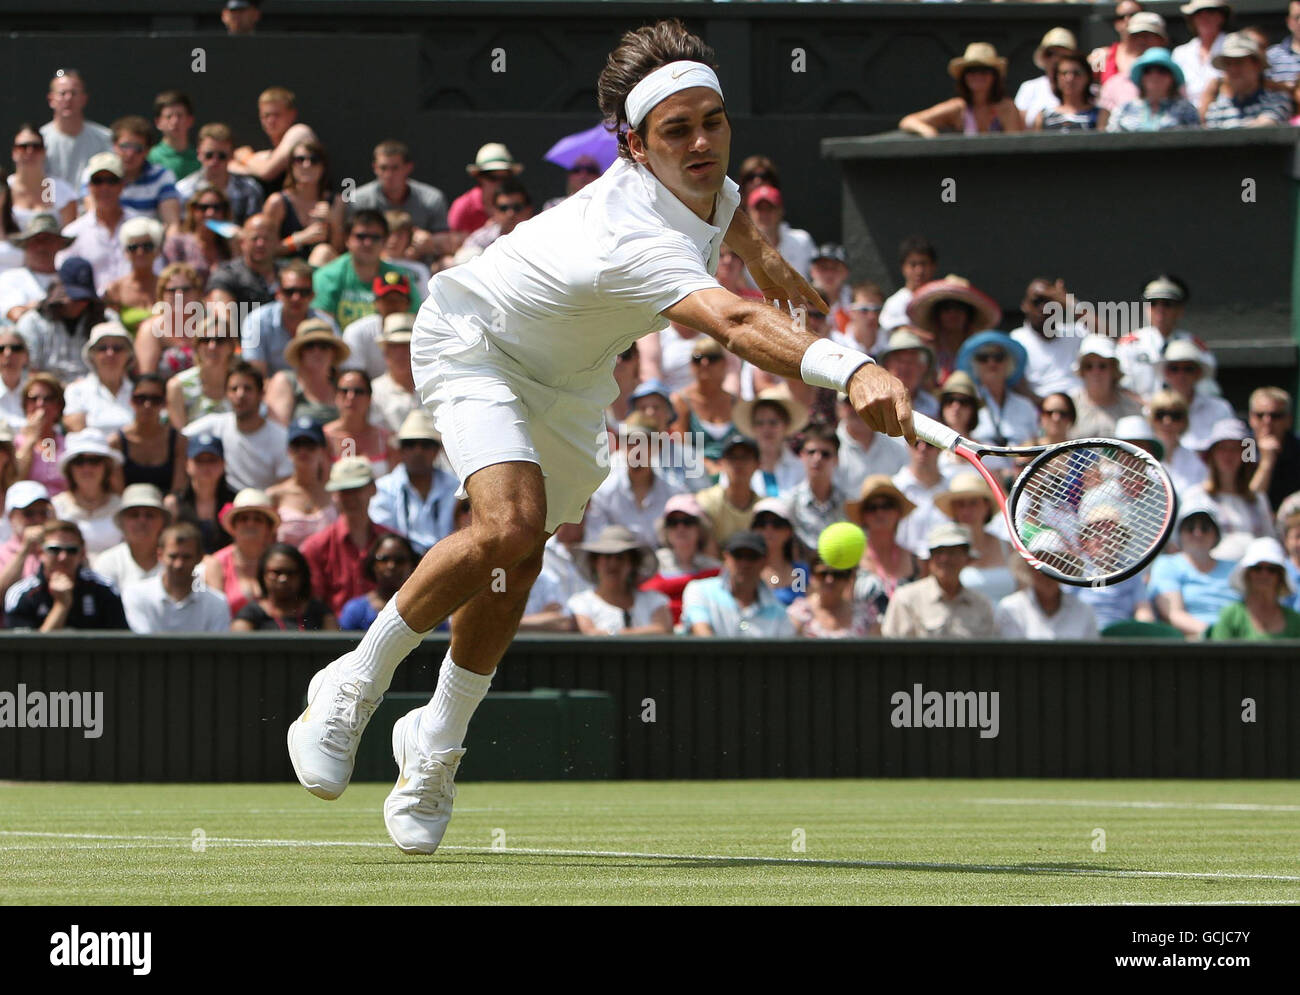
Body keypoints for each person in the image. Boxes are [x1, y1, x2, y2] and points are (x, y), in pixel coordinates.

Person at [286, 20, 913, 856]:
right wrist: (853, 366)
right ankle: (352, 682)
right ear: (633, 146)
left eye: (712, 121)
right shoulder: (631, 235)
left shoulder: (710, 187)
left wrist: (768, 261)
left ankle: (433, 741)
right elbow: (726, 320)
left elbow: (731, 226)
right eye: (675, 130)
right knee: (506, 524)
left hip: (573, 382)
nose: (700, 143)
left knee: (518, 561)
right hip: (477, 341)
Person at [300, 457, 393, 617]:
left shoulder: (393, 542)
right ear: (334, 494)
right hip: (334, 636)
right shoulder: (316, 547)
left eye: (357, 489)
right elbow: (314, 604)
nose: (350, 497)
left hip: (385, 632)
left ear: (373, 489)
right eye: (343, 491)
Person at [183, 363, 292, 491]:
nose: (240, 394)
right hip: (224, 504)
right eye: (234, 389)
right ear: (226, 394)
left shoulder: (280, 437)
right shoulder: (216, 424)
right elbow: (180, 438)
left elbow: (286, 484)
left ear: (261, 394)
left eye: (248, 389)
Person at [4, 519, 126, 630]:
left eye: (72, 550)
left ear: (82, 554)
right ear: (40, 552)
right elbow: (27, 651)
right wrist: (61, 605)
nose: (63, 557)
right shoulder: (21, 594)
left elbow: (120, 645)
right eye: (54, 549)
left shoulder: (104, 589)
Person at [881, 523, 996, 638]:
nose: (945, 559)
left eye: (953, 552)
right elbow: (893, 648)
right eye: (939, 552)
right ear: (930, 558)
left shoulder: (981, 605)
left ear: (966, 558)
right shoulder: (906, 599)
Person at [584, 415, 684, 547]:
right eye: (630, 442)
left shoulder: (674, 492)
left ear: (657, 447)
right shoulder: (604, 492)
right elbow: (596, 539)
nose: (636, 449)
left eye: (643, 442)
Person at [311, 210, 420, 330]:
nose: (368, 243)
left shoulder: (400, 276)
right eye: (361, 236)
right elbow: (322, 326)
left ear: (385, 241)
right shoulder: (327, 276)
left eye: (375, 237)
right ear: (347, 239)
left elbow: (414, 321)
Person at [368, 409, 458, 554]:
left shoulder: (456, 488)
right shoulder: (384, 489)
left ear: (436, 450)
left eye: (425, 445)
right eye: (410, 444)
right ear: (401, 450)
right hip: (402, 567)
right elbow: (383, 537)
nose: (418, 451)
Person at [1116, 276, 1216, 400]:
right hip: (1139, 412)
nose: (1160, 310)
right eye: (1153, 304)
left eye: (1167, 304)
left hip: (1183, 415)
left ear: (1180, 310)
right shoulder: (1130, 345)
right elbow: (1119, 387)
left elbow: (1207, 389)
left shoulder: (1194, 346)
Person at [1147, 503, 1238, 637]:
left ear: (1216, 535)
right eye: (1190, 527)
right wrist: (1213, 634)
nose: (1198, 533)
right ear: (1180, 534)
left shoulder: (1234, 568)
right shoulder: (1167, 565)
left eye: (1205, 528)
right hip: (1191, 645)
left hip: (1238, 640)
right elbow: (1173, 614)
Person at [681, 530, 795, 637]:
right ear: (726, 557)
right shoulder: (699, 591)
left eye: (752, 557)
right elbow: (702, 637)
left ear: (764, 561)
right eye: (738, 556)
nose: (744, 563)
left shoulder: (779, 612)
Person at [349, 140, 451, 260]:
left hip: (420, 265)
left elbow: (445, 241)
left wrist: (429, 241)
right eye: (383, 168)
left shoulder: (432, 198)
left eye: (395, 168)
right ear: (375, 167)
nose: (388, 174)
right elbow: (349, 241)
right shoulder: (358, 199)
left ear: (408, 167)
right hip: (372, 265)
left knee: (448, 262)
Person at [122, 522, 230, 633]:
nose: (179, 564)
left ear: (199, 558)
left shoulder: (217, 603)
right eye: (173, 556)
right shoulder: (136, 595)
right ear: (160, 555)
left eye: (186, 557)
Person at [567, 525, 672, 635]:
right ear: (595, 562)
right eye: (607, 557)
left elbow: (663, 629)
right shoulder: (581, 602)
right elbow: (589, 633)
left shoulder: (653, 600)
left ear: (632, 564)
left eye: (620, 557)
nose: (613, 564)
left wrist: (616, 634)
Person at [900, 43, 1023, 136]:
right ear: (964, 77)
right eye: (971, 71)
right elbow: (909, 121)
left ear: (994, 76)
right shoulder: (958, 107)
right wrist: (930, 133)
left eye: (984, 71)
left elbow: (1015, 145)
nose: (978, 76)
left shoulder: (1006, 107)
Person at [241, 262, 338, 379]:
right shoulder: (255, 321)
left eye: (303, 292)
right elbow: (255, 376)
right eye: (289, 292)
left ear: (312, 296)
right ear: (278, 294)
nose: (296, 298)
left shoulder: (326, 324)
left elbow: (338, 369)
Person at [994, 532, 1099, 639]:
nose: (1046, 574)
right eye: (1041, 565)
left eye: (1054, 564)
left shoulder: (1083, 610)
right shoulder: (1010, 608)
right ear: (1029, 568)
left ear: (1064, 569)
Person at [1185, 418, 1275, 544]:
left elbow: (1269, 540)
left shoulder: (1258, 499)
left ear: (1244, 455)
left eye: (1235, 449)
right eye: (1222, 448)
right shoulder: (1195, 496)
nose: (1228, 455)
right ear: (1212, 454)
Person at [934, 472, 1016, 603]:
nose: (967, 511)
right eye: (961, 504)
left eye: (973, 503)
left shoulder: (1008, 548)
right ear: (954, 509)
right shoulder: (944, 552)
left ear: (986, 506)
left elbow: (1023, 590)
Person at [640, 493, 720, 626]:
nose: (680, 528)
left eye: (687, 522)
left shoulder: (714, 569)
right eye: (673, 523)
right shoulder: (651, 565)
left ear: (700, 528)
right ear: (665, 529)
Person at [905, 275, 1001, 384]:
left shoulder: (982, 351)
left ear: (969, 315)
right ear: (938, 315)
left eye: (959, 309)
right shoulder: (927, 350)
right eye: (947, 309)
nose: (953, 314)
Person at [57, 152, 129, 295]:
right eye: (98, 181)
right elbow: (65, 279)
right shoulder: (72, 233)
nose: (104, 187)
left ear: (122, 185)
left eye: (111, 181)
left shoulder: (141, 226)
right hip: (91, 311)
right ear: (89, 186)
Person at [263, 140, 344, 266]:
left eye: (314, 160)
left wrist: (333, 222)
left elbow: (340, 251)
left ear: (323, 167)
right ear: (291, 166)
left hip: (323, 271)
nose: (307, 165)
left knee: (323, 252)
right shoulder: (277, 202)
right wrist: (299, 239)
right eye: (299, 160)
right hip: (286, 271)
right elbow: (265, 249)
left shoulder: (336, 202)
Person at [201, 486, 278, 616]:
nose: (250, 524)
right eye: (244, 519)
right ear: (233, 526)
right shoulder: (216, 563)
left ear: (268, 528)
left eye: (258, 519)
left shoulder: (279, 560)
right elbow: (214, 613)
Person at [956, 330, 1038, 452]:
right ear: (975, 365)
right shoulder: (965, 403)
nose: (991, 363)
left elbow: (1037, 440)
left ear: (1009, 363)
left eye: (998, 357)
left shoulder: (1025, 406)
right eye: (983, 358)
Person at [230, 86, 319, 196]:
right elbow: (231, 168)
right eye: (266, 115)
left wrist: (245, 158)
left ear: (292, 114)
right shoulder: (266, 156)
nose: (271, 120)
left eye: (277, 115)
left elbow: (266, 171)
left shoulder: (300, 132)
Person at [107, 373, 185, 496]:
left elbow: (178, 490)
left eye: (155, 399)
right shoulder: (116, 442)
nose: (147, 405)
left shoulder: (178, 441)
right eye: (140, 399)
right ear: (131, 401)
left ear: (164, 404)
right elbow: (118, 492)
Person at [231, 542, 337, 632]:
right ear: (263, 575)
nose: (283, 579)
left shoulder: (320, 613)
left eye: (290, 573)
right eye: (276, 572)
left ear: (302, 576)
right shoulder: (250, 615)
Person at [669, 334, 737, 474]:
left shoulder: (736, 402)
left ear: (724, 363)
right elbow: (681, 448)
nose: (704, 363)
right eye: (698, 359)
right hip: (693, 474)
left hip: (734, 472)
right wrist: (709, 467)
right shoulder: (681, 401)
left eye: (712, 358)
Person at [845, 474, 917, 606]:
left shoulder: (915, 560)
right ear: (863, 516)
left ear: (898, 512)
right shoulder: (852, 561)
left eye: (887, 506)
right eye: (872, 508)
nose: (880, 513)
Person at [1208, 537, 1300, 639]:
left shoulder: (1295, 621)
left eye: (1272, 569)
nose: (1264, 574)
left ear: (1280, 577)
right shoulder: (1231, 615)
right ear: (1247, 574)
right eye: (1257, 568)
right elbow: (1218, 653)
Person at [51, 429, 123, 556]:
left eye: (94, 461)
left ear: (106, 466)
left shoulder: (120, 507)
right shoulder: (56, 507)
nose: (87, 468)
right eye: (79, 462)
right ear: (70, 468)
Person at [267, 417, 337, 547]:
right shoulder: (274, 496)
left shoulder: (335, 495)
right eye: (297, 444)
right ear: (288, 451)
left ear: (322, 450)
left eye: (310, 444)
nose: (303, 450)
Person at [165, 431, 237, 555]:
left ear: (223, 464)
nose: (206, 467)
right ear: (187, 464)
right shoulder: (174, 503)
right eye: (199, 461)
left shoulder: (235, 502)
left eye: (212, 460)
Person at [176, 123, 264, 223]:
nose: (215, 161)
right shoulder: (183, 191)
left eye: (222, 156)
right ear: (199, 154)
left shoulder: (249, 190)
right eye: (209, 155)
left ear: (231, 155)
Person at [40, 70, 113, 187]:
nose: (68, 98)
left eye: (74, 93)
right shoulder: (38, 142)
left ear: (84, 99)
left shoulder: (105, 138)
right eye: (62, 93)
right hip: (51, 203)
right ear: (51, 99)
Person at [90, 482, 169, 591]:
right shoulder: (107, 562)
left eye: (150, 515)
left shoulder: (177, 560)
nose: (142, 521)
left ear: (163, 522)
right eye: (134, 515)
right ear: (122, 522)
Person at [1205, 32, 1293, 128]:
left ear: (1257, 65)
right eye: (1228, 64)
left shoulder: (1277, 100)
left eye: (1239, 62)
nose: (1233, 70)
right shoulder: (1217, 110)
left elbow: (1266, 125)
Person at [266, 320, 346, 426]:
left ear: (333, 352)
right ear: (300, 352)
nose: (317, 351)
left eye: (324, 346)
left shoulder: (342, 384)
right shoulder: (286, 381)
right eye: (310, 345)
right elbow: (277, 431)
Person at [732, 386, 807, 497]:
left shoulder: (801, 467)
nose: (766, 429)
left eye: (773, 422)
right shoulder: (737, 465)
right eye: (760, 423)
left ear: (785, 425)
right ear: (753, 427)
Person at [339, 271, 415, 380]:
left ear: (408, 303)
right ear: (375, 303)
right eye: (387, 300)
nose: (393, 305)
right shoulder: (356, 331)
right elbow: (354, 378)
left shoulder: (422, 331)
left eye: (398, 300)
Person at [1157, 341, 1232, 447]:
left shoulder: (1220, 408)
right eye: (1174, 369)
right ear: (1166, 373)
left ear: (1199, 373)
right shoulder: (1153, 410)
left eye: (1188, 369)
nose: (1181, 375)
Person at [166, 313, 235, 430]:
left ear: (231, 346)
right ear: (196, 346)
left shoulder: (243, 382)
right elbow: (180, 438)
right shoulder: (177, 386)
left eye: (220, 340)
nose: (212, 346)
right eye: (205, 340)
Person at [788, 550, 879, 638]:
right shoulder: (799, 613)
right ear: (812, 577)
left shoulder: (866, 614)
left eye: (838, 574)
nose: (830, 580)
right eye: (823, 574)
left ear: (848, 578)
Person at [1108, 47, 1202, 131]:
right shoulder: (1124, 109)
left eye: (1162, 70)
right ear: (1142, 77)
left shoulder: (1186, 109)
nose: (1154, 76)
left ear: (1172, 78)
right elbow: (1110, 142)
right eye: (1148, 71)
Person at [339, 534, 420, 632]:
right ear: (373, 564)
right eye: (383, 559)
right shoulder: (355, 610)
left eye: (399, 560)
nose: (391, 566)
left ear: (412, 565)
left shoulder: (422, 609)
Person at [789, 424, 849, 554]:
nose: (817, 458)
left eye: (825, 454)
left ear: (836, 460)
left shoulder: (848, 504)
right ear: (801, 456)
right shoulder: (790, 504)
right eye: (811, 452)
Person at [1069, 335, 1143, 439]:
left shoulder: (1132, 409)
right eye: (1089, 366)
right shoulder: (1069, 406)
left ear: (1113, 370)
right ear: (1082, 371)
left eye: (1102, 366)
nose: (1096, 372)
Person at [741, 183, 815, 287]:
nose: (764, 214)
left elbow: (816, 281)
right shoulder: (739, 247)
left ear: (781, 211)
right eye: (759, 209)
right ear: (749, 212)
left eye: (770, 208)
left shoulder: (802, 241)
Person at [893, 437, 956, 559]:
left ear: (940, 448)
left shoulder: (953, 488)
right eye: (915, 443)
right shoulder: (895, 487)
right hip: (906, 567)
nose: (922, 448)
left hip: (945, 564)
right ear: (907, 446)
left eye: (930, 444)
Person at [0, 214, 70, 324]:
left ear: (59, 243)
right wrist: (44, 305)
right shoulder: (11, 278)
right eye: (36, 240)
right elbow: (15, 314)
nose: (42, 247)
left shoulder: (70, 278)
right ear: (26, 245)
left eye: (48, 240)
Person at [323, 369, 393, 475]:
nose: (350, 397)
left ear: (370, 398)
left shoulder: (385, 440)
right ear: (336, 396)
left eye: (358, 391)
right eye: (344, 391)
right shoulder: (324, 438)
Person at [8, 125, 77, 229]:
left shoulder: (63, 191)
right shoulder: (4, 189)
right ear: (14, 152)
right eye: (23, 147)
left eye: (36, 147)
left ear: (44, 152)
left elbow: (69, 235)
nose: (29, 152)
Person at [448, 142, 523, 238]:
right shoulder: (463, 206)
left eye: (505, 177)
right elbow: (454, 244)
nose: (499, 183)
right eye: (492, 177)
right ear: (479, 177)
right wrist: (486, 233)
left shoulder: (521, 201)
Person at [101, 218, 164, 332]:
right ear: (126, 253)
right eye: (133, 247)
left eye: (147, 246)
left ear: (158, 250)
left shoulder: (167, 287)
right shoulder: (115, 289)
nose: (140, 252)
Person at [161, 186, 232, 283]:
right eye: (203, 208)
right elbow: (172, 281)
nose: (210, 213)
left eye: (217, 208)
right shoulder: (178, 244)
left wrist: (236, 246)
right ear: (193, 211)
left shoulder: (229, 245)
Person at [454, 179, 534, 262]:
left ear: (529, 209)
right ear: (495, 211)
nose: (510, 214)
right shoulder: (482, 238)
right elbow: (462, 261)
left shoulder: (539, 234)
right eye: (503, 208)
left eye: (517, 207)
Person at [1146, 387, 1207, 496]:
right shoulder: (1139, 457)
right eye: (1160, 414)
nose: (1167, 421)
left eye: (1175, 415)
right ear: (1151, 419)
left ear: (1184, 421)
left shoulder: (1197, 460)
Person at [208, 214, 278, 308]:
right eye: (254, 238)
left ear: (276, 242)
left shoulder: (287, 274)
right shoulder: (226, 274)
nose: (260, 244)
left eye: (266, 238)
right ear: (242, 242)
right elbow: (220, 310)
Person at [1247, 387, 1300, 511]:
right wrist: (1267, 461)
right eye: (1260, 415)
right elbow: (1250, 501)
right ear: (1251, 419)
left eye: (1275, 416)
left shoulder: (1297, 447)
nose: (1267, 421)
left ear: (1288, 420)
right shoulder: (1245, 446)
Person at [748, 497, 808, 606]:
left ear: (789, 531)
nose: (768, 529)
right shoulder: (745, 570)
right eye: (761, 524)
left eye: (777, 524)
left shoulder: (802, 572)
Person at [1173, 0, 1232, 108]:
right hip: (1187, 118)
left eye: (1210, 12)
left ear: (1222, 17)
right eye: (1198, 13)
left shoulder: (1233, 46)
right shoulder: (1180, 53)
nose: (1204, 17)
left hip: (1225, 113)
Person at [1018, 28, 1081, 126]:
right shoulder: (1028, 88)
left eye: (1062, 55)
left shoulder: (1088, 89)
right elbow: (1019, 129)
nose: (1055, 59)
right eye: (1049, 54)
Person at [0, 480, 52, 597]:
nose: (38, 519)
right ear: (11, 516)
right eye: (29, 514)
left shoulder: (58, 549)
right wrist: (25, 549)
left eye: (43, 513)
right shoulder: (2, 553)